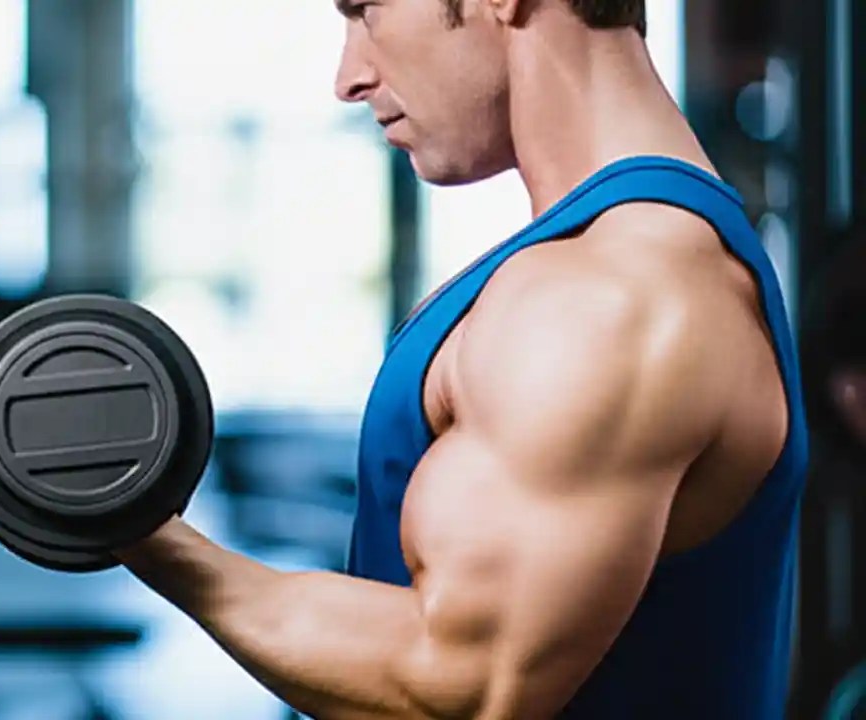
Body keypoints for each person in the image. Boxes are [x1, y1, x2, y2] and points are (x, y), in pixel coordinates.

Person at [116, 1, 807, 718]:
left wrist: (149, 540)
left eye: (368, 12)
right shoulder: (614, 263)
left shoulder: (615, 296)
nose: (349, 77)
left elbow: (459, 687)